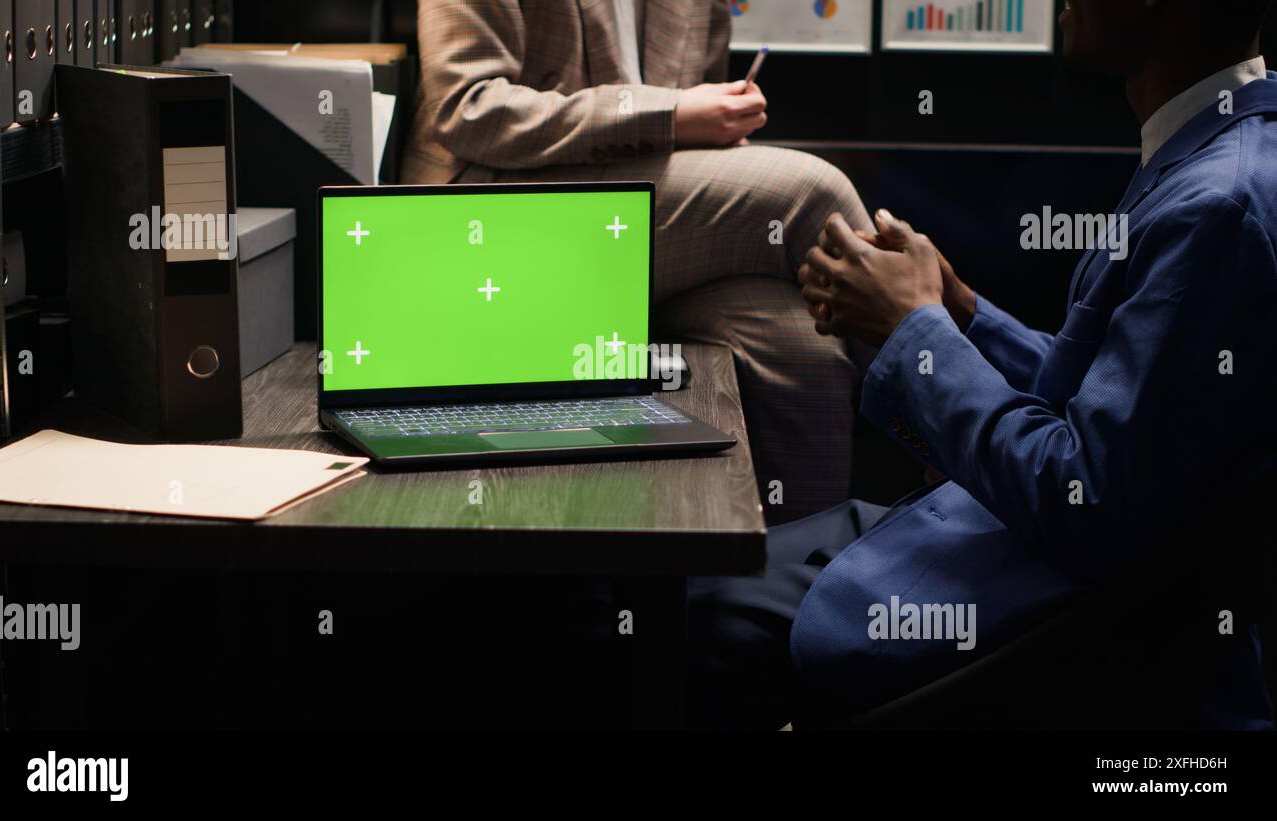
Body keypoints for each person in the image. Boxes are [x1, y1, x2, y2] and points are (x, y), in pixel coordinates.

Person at [689, 0, 1277, 730]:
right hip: (1008, 550)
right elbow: (1104, 408)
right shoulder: (1217, 152)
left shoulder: (1219, 207)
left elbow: (1083, 498)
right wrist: (962, 310)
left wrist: (915, 329)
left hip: (1057, 619)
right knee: (712, 571)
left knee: (705, 607)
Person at [402, 0, 875, 522]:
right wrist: (668, 113)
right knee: (813, 191)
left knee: (802, 349)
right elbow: (468, 109)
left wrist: (706, 120)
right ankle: (947, 428)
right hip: (491, 219)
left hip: (642, 227)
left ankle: (800, 585)